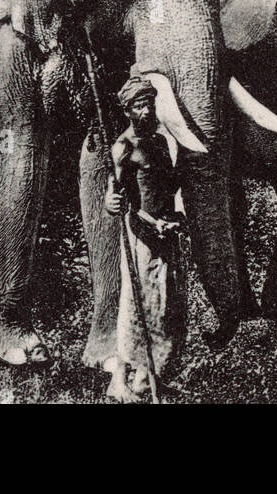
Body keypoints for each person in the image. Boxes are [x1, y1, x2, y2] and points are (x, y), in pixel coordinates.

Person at [103, 74, 186, 402]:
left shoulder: (161, 142)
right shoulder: (124, 147)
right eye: (138, 105)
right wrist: (113, 204)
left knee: (163, 308)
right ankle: (122, 381)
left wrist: (174, 217)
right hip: (141, 238)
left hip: (167, 234)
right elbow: (115, 200)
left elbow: (166, 188)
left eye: (149, 103)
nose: (145, 110)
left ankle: (149, 378)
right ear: (127, 110)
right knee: (137, 308)